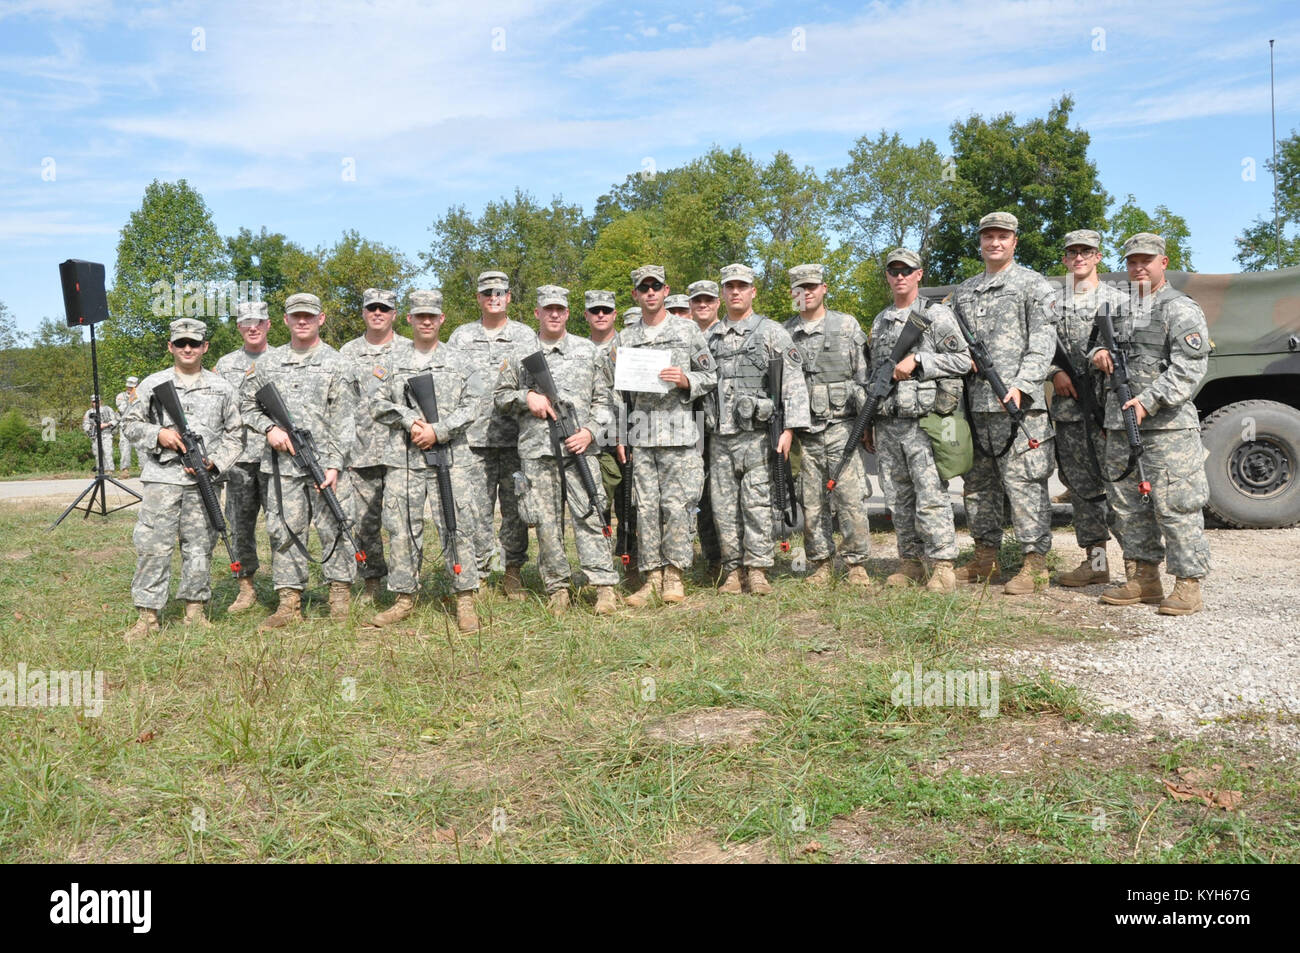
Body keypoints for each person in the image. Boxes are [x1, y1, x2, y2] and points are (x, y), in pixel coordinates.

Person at [1091, 233, 1211, 615]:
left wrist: (1148, 401)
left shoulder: (1180, 308)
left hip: (1167, 428)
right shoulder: (1119, 309)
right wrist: (1099, 353)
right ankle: (1144, 578)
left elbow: (1190, 367)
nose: (1138, 267)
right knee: (1126, 506)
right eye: (1132, 261)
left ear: (1163, 262)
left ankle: (1188, 585)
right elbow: (1094, 344)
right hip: (1120, 424)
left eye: (1146, 260)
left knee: (1176, 505)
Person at [950, 211, 1058, 594]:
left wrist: (1024, 385)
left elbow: (1043, 341)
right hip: (975, 406)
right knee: (978, 486)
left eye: (1002, 236)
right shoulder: (964, 291)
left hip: (1018, 408)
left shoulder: (1033, 285)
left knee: (1025, 484)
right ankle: (985, 558)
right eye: (988, 236)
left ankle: (1035, 564)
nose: (994, 242)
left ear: (1014, 241)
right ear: (980, 241)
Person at [494, 285, 619, 613]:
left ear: (567, 313)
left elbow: (606, 400)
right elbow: (501, 396)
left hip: (580, 451)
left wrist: (590, 432)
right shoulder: (520, 353)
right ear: (537, 313)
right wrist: (527, 397)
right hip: (537, 453)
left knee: (590, 515)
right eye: (547, 309)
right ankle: (557, 589)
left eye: (559, 309)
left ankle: (604, 586)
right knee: (546, 525)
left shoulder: (588, 351)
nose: (553, 314)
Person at [240, 292, 358, 629]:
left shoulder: (337, 363)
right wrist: (269, 429)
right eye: (296, 316)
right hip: (283, 468)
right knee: (284, 531)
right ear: (286, 320)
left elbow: (345, 419)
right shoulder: (268, 363)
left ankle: (339, 596)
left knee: (336, 526)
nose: (302, 321)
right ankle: (289, 603)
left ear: (321, 319)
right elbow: (246, 404)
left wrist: (335, 465)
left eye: (309, 315)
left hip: (326, 467)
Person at [119, 318, 242, 639]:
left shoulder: (222, 388)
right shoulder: (153, 384)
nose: (188, 349)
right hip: (162, 480)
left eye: (194, 343)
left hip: (204, 483)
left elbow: (235, 436)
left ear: (205, 347)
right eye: (181, 343)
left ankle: (195, 612)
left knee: (200, 547)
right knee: (153, 546)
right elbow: (129, 424)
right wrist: (158, 434)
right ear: (170, 347)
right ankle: (147, 617)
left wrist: (214, 464)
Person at [370, 290, 483, 631]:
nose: (426, 321)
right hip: (404, 460)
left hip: (451, 457)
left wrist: (439, 430)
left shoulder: (460, 360)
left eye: (432, 316)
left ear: (441, 319)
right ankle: (404, 598)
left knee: (458, 525)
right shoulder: (390, 361)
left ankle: (465, 598)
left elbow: (474, 405)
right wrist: (409, 421)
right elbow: (376, 402)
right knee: (401, 527)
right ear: (409, 319)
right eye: (420, 316)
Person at [868, 250, 971, 592]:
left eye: (906, 270)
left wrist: (920, 360)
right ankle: (910, 562)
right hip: (888, 422)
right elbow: (875, 374)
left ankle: (943, 565)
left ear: (919, 274)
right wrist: (869, 421)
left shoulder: (935, 314)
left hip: (924, 421)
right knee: (897, 497)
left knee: (930, 494)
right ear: (887, 276)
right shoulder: (880, 320)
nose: (899, 276)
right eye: (893, 271)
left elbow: (963, 359)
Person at [705, 263, 811, 595]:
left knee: (757, 505)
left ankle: (758, 569)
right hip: (719, 438)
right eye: (729, 286)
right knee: (724, 509)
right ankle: (733, 570)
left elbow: (793, 382)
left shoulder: (771, 332)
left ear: (753, 291)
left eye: (741, 286)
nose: (735, 292)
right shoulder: (710, 337)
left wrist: (789, 430)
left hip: (758, 437)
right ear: (723, 293)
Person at [615, 265, 716, 605]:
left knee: (677, 507)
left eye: (655, 287)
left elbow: (710, 375)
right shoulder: (626, 337)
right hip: (642, 437)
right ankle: (651, 578)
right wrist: (619, 434)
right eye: (643, 288)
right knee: (645, 509)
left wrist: (687, 380)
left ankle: (674, 575)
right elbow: (617, 394)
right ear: (635, 294)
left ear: (665, 290)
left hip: (680, 435)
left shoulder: (687, 330)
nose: (650, 293)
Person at [446, 270, 540, 598]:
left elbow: (537, 382)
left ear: (509, 297)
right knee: (476, 510)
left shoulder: (526, 336)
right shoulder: (461, 337)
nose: (493, 298)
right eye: (487, 293)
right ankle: (482, 573)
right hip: (474, 440)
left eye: (499, 292)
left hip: (516, 439)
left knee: (515, 509)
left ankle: (513, 571)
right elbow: (449, 383)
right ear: (478, 298)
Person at [784, 263, 872, 586]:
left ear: (824, 289)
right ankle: (821, 563)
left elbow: (863, 378)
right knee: (811, 503)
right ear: (792, 293)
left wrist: (866, 425)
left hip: (841, 428)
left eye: (812, 287)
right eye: (799, 288)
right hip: (804, 435)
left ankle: (856, 564)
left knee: (850, 500)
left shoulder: (846, 326)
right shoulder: (784, 334)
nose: (806, 293)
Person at [1049, 229, 1127, 588]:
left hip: (1108, 411)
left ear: (1098, 256)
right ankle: (1096, 564)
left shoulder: (1118, 301)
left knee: (1120, 488)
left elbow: (1134, 350)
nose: (1079, 257)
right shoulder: (1053, 304)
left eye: (1086, 251)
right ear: (1066, 259)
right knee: (1082, 490)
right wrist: (1054, 372)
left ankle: (1139, 567)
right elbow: (1040, 346)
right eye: (1073, 252)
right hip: (1069, 410)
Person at [339, 288, 412, 606]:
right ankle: (371, 581)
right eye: (372, 308)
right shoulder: (348, 353)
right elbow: (340, 404)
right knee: (365, 523)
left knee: (401, 521)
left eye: (384, 308)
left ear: (394, 314)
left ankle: (405, 583)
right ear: (364, 313)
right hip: (361, 450)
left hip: (402, 451)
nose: (378, 313)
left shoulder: (410, 349)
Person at [213, 301, 273, 613]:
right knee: (239, 526)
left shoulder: (281, 359)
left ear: (268, 324)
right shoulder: (225, 365)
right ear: (238, 327)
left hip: (275, 457)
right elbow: (217, 412)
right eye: (246, 323)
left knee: (282, 524)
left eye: (258, 322)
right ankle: (246, 587)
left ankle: (287, 587)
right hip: (238, 459)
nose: (253, 327)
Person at [585, 289, 638, 586]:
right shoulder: (580, 349)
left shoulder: (630, 346)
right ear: (586, 315)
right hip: (593, 440)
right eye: (595, 310)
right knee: (597, 505)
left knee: (630, 504)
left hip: (630, 437)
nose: (601, 315)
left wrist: (624, 435)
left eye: (606, 310)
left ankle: (632, 566)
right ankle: (602, 568)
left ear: (615, 314)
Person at [688, 279, 723, 575]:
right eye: (697, 300)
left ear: (717, 303)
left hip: (723, 426)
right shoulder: (682, 335)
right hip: (690, 425)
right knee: (699, 495)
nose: (703, 305)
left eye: (708, 300)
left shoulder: (728, 334)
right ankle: (713, 557)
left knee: (724, 494)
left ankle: (733, 556)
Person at [82, 395, 118, 472]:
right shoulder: (89, 412)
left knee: (107, 452)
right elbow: (85, 425)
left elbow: (115, 420)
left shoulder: (107, 409)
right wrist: (93, 427)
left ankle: (109, 470)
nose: (96, 403)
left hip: (106, 434)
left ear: (100, 401)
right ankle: (100, 470)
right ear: (91, 402)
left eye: (97, 401)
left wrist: (106, 424)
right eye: (94, 402)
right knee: (97, 453)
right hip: (95, 436)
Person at [115, 376, 139, 472]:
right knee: (124, 447)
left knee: (141, 448)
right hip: (125, 424)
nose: (129, 388)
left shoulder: (141, 395)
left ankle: (144, 469)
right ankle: (125, 470)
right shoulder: (121, 396)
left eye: (132, 387)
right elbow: (123, 409)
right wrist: (132, 398)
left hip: (138, 424)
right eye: (128, 386)